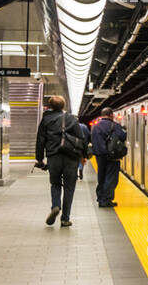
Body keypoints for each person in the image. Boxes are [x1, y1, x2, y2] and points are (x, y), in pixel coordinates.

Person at [34, 95, 89, 228]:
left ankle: (56, 206)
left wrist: (40, 159)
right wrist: (84, 155)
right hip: (71, 157)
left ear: (50, 106)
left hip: (54, 156)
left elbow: (41, 140)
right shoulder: (71, 118)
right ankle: (65, 219)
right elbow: (81, 139)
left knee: (55, 184)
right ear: (63, 106)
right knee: (70, 188)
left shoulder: (46, 119)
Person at [89, 107, 126, 208]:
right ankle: (106, 200)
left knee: (101, 177)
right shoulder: (115, 126)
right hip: (112, 155)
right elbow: (123, 137)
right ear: (111, 115)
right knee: (111, 178)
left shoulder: (95, 127)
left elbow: (92, 139)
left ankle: (100, 197)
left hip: (99, 156)